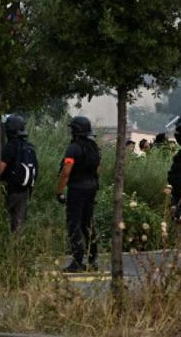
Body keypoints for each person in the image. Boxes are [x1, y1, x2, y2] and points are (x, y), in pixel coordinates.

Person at [56, 115, 101, 273]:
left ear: (75, 131)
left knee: (74, 224)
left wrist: (60, 191)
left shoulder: (73, 148)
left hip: (76, 190)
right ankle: (93, 259)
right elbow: (97, 169)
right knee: (88, 224)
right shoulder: (94, 147)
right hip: (92, 188)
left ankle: (77, 260)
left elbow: (66, 173)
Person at [0, 114, 37, 233]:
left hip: (10, 189)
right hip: (24, 190)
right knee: (19, 223)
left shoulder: (10, 146)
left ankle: (1, 247)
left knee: (2, 219)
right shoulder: (29, 146)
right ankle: (17, 248)